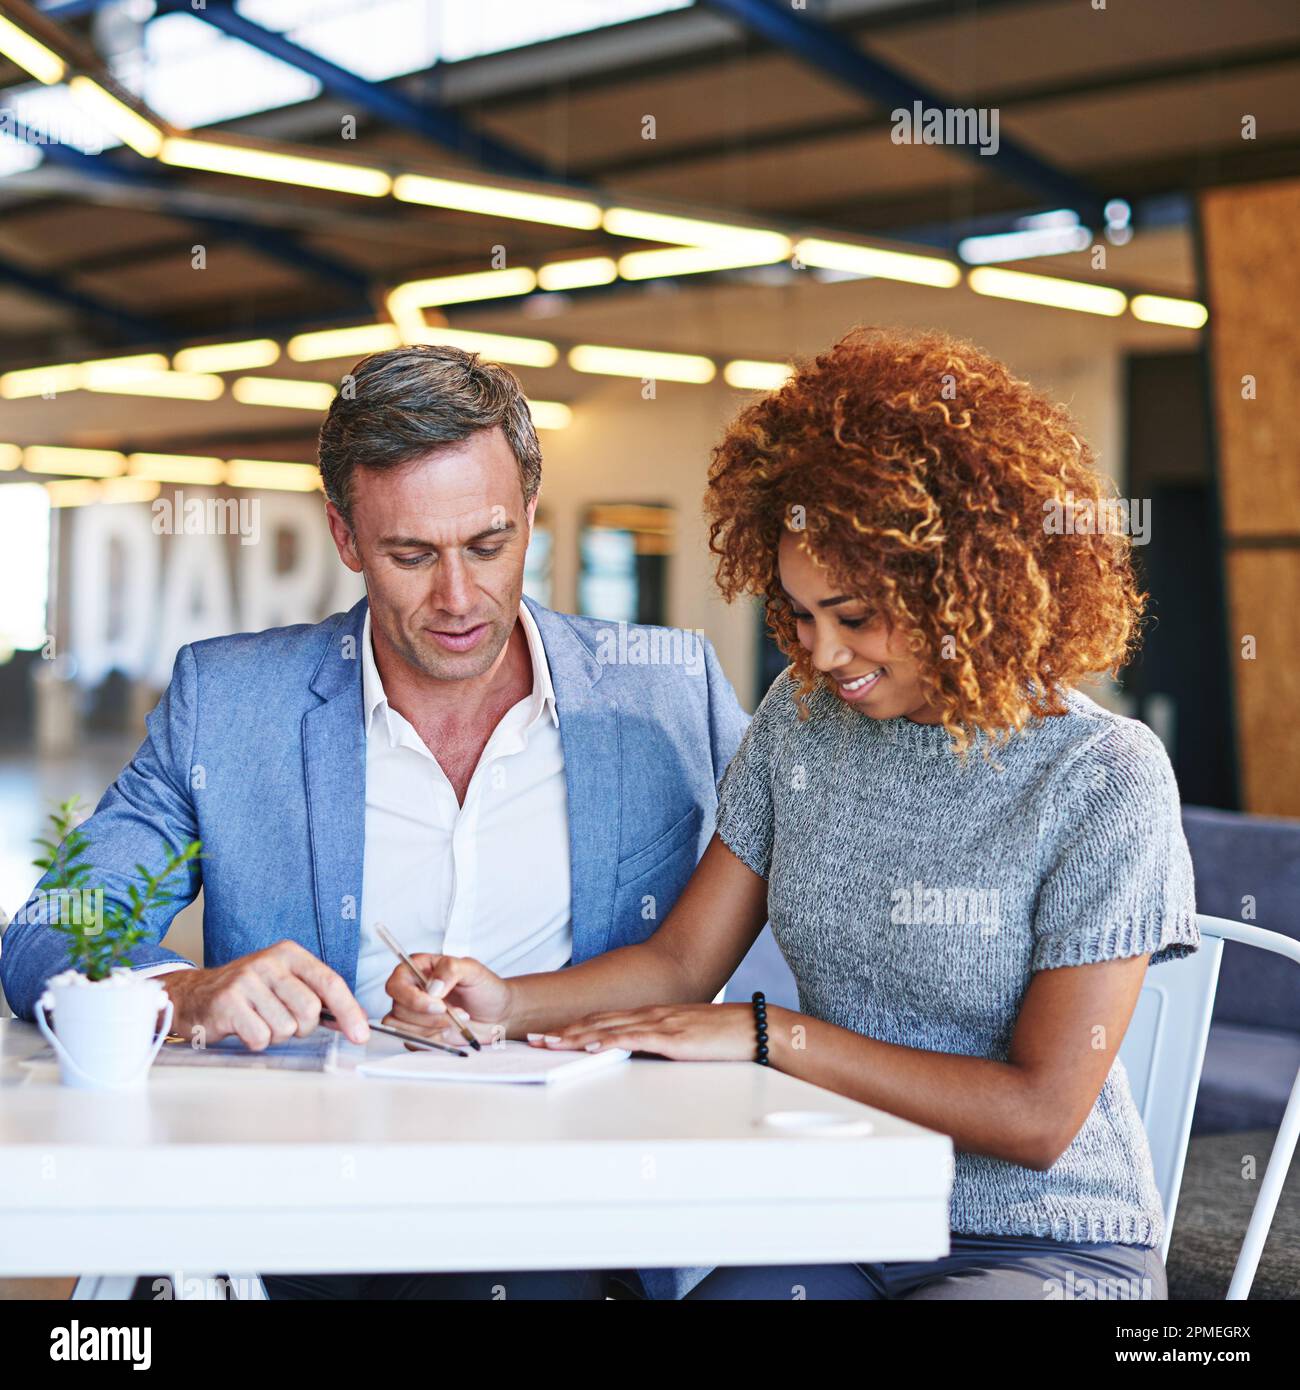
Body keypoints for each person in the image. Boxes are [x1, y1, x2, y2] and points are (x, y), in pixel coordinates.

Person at [385, 326, 1199, 1301]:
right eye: (799, 615)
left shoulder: (1101, 776)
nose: (820, 654)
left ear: (962, 584)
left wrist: (776, 1037)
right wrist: (507, 999)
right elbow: (682, 962)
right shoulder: (803, 722)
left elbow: (1038, 1116)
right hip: (847, 1209)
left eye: (854, 616)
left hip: (1039, 1240)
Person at [1, 344, 748, 1301]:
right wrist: (183, 996)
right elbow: (44, 930)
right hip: (298, 1197)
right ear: (346, 538)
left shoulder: (670, 691)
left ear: (528, 513)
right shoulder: (230, 702)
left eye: (488, 545)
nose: (457, 599)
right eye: (410, 555)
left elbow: (787, 928)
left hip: (573, 1194)